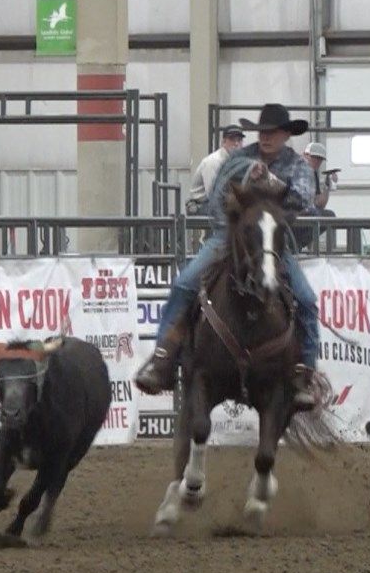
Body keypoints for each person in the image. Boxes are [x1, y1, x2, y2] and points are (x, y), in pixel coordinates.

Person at [134, 103, 322, 409]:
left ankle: (304, 373)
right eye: (262, 132)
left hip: (271, 243)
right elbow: (216, 199)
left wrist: (271, 181)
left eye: (273, 132)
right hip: (229, 237)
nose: (265, 137)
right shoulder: (240, 160)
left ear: (286, 135)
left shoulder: (297, 166)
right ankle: (162, 357)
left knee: (306, 299)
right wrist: (247, 178)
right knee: (184, 283)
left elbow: (303, 200)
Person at [185, 124, 246, 215]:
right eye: (232, 139)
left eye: (239, 140)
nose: (236, 143)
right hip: (201, 206)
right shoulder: (214, 161)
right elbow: (213, 195)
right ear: (223, 142)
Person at [295, 142, 338, 250]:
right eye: (315, 158)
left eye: (320, 160)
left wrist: (327, 187)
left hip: (305, 213)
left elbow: (319, 203)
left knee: (329, 216)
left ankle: (297, 244)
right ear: (306, 155)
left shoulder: (312, 174)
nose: (317, 162)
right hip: (291, 214)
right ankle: (295, 244)